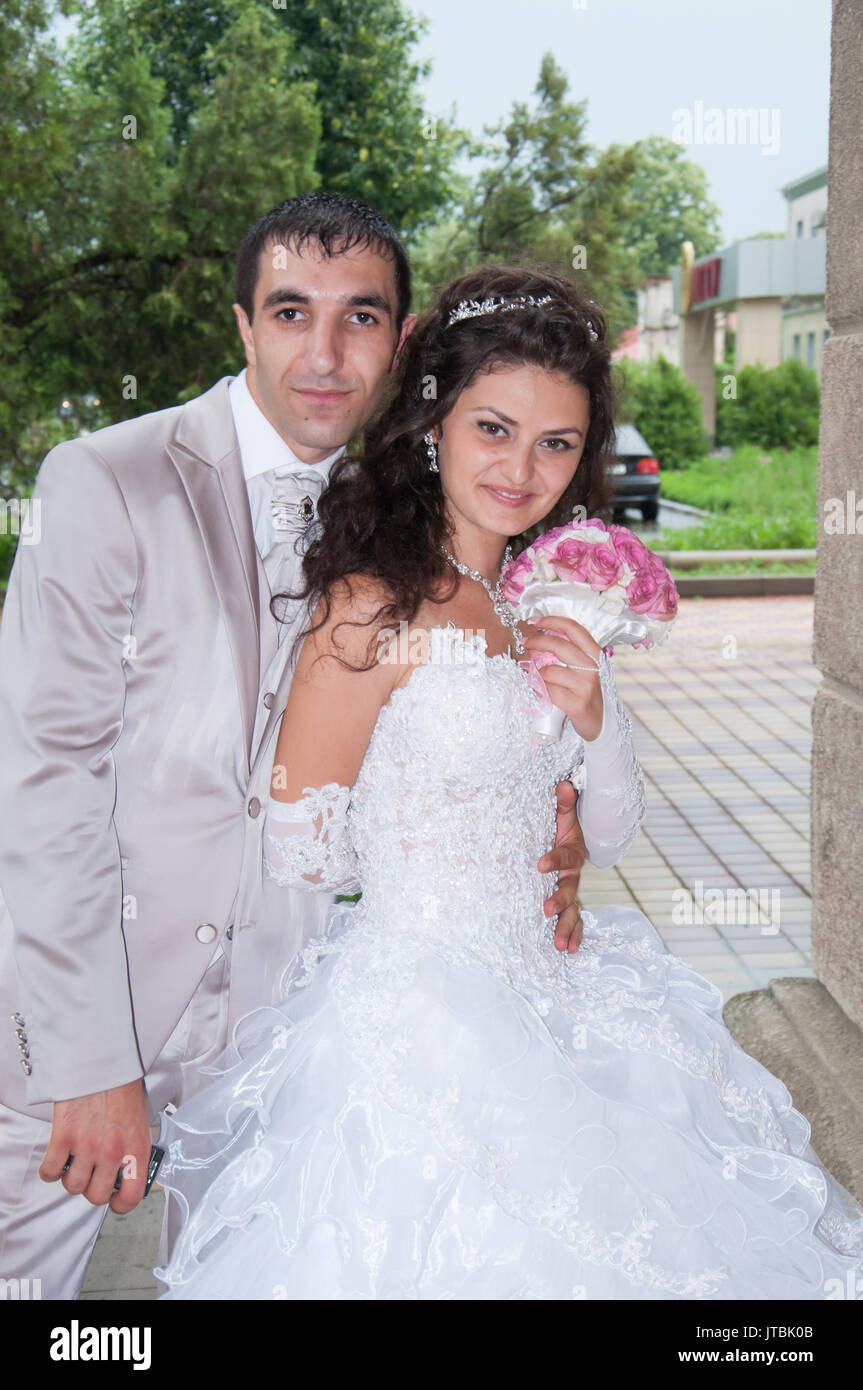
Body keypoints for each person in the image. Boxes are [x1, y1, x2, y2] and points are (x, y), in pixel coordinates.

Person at [154, 264, 863, 1300]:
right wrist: (438, 840)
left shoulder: (546, 594)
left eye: (556, 443)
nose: (520, 469)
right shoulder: (370, 605)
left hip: (557, 982)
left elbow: (609, 831)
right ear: (433, 422)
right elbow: (299, 845)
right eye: (492, 428)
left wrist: (595, 722)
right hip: (424, 1009)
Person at [0, 195, 588, 1300]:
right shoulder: (107, 479)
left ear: (402, 339)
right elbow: (40, 777)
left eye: (359, 317)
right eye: (288, 312)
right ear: (241, 326)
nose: (323, 353)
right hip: (83, 1019)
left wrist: (536, 836)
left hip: (293, 1035)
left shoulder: (424, 499)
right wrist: (87, 1061)